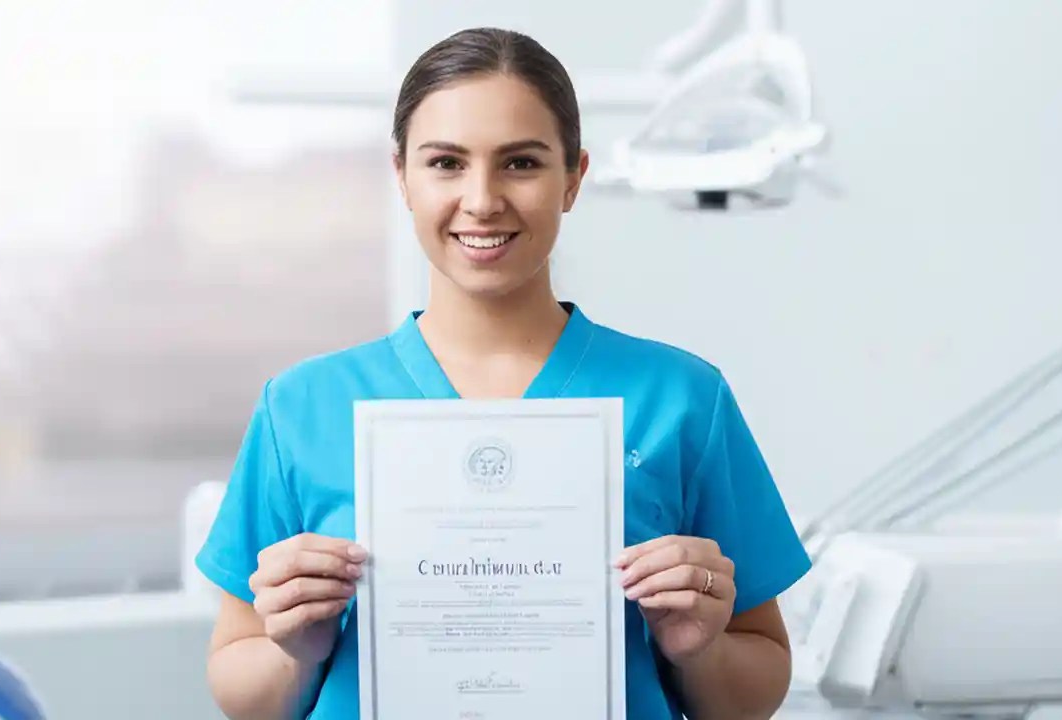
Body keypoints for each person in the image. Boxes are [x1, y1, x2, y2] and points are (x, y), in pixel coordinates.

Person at [196, 26, 812, 720]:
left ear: (573, 178)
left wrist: (698, 648)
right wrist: (294, 650)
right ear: (401, 176)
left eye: (520, 163)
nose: (483, 199)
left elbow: (756, 686)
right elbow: (241, 690)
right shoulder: (302, 408)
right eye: (446, 163)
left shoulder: (682, 399)